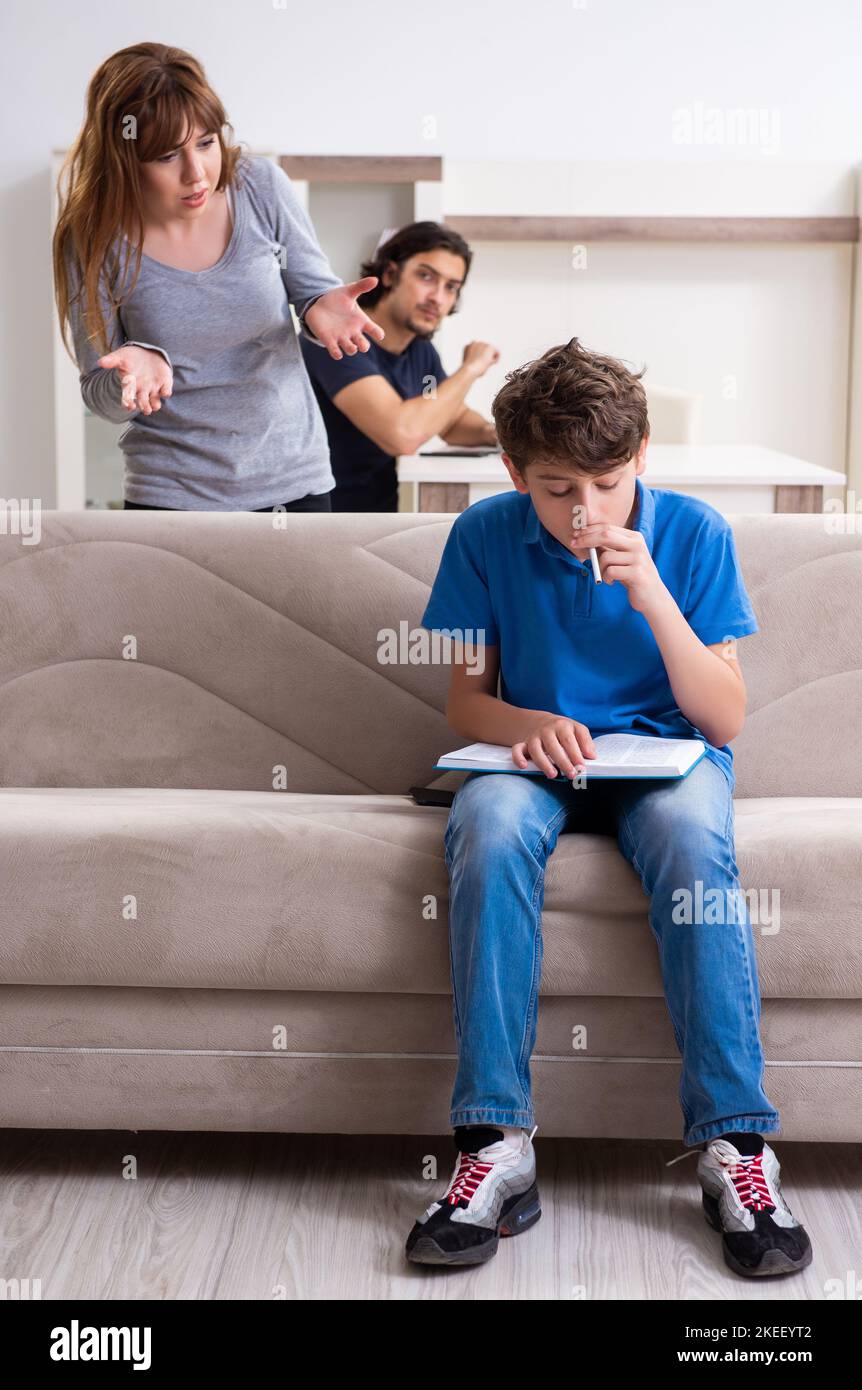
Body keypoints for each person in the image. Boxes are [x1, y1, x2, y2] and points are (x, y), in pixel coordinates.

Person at [406, 337, 813, 1277]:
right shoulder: (482, 537)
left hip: (668, 758)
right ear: (513, 473)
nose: (583, 512)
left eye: (606, 483)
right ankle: (494, 1145)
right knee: (490, 825)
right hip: (531, 757)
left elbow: (725, 717)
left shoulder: (696, 534)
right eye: (555, 489)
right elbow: (466, 701)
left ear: (640, 463)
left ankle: (736, 1148)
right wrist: (530, 723)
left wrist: (652, 595)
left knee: (690, 840)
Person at [52, 42, 384, 512]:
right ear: (123, 157)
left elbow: (314, 293)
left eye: (206, 143)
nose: (197, 174)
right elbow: (102, 399)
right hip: (170, 496)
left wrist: (318, 308)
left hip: (293, 482)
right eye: (166, 156)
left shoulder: (259, 187)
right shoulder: (91, 238)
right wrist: (132, 369)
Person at [299, 222, 499, 511]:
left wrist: (497, 433)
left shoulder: (420, 350)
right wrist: (470, 369)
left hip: (376, 517)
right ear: (391, 274)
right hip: (323, 521)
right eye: (426, 276)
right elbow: (402, 434)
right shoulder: (339, 337)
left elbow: (451, 420)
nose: (438, 298)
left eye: (451, 287)